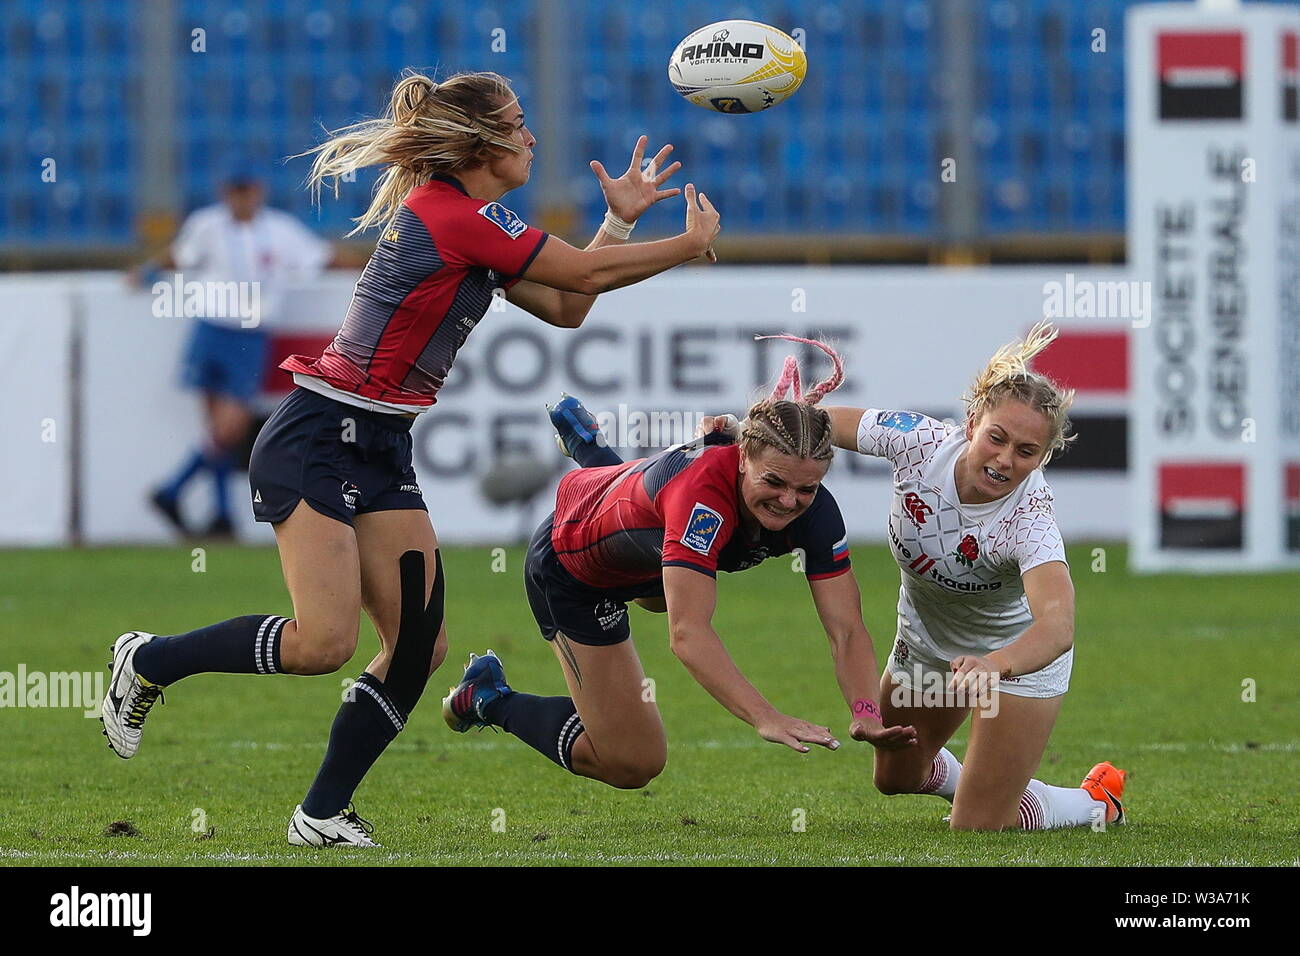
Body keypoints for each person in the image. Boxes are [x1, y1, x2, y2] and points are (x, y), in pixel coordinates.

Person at [98, 69, 721, 847]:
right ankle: (151, 659)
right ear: (481, 142)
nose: (533, 136)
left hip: (382, 446)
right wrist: (689, 244)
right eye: (520, 123)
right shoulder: (453, 215)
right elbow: (584, 277)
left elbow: (568, 306)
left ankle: (319, 814)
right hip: (318, 436)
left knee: (421, 647)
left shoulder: (476, 220)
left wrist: (620, 225)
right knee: (322, 644)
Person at [441, 338, 916, 790]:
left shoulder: (814, 510)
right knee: (632, 762)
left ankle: (589, 448)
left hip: (646, 544)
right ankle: (487, 698)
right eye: (774, 482)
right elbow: (689, 633)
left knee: (658, 588)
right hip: (571, 566)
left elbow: (847, 629)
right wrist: (764, 715)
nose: (790, 501)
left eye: (806, 488)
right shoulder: (703, 504)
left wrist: (866, 710)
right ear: (743, 456)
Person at [818, 322, 1127, 831]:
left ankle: (1096, 802)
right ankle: (989, 787)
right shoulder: (918, 443)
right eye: (997, 438)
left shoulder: (1031, 521)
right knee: (896, 777)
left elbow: (1057, 625)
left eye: (1026, 452)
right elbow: (815, 424)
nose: (1005, 459)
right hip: (927, 645)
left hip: (1017, 660)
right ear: (971, 423)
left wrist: (997, 665)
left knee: (978, 829)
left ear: (1043, 457)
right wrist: (742, 433)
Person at [135, 168, 335, 538]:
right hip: (212, 328)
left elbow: (321, 256)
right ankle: (222, 515)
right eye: (235, 190)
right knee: (217, 430)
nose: (241, 198)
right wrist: (147, 271)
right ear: (224, 190)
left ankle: (174, 490)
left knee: (228, 428)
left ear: (258, 190)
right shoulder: (207, 224)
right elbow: (180, 257)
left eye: (246, 190)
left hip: (249, 334)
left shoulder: (279, 229)